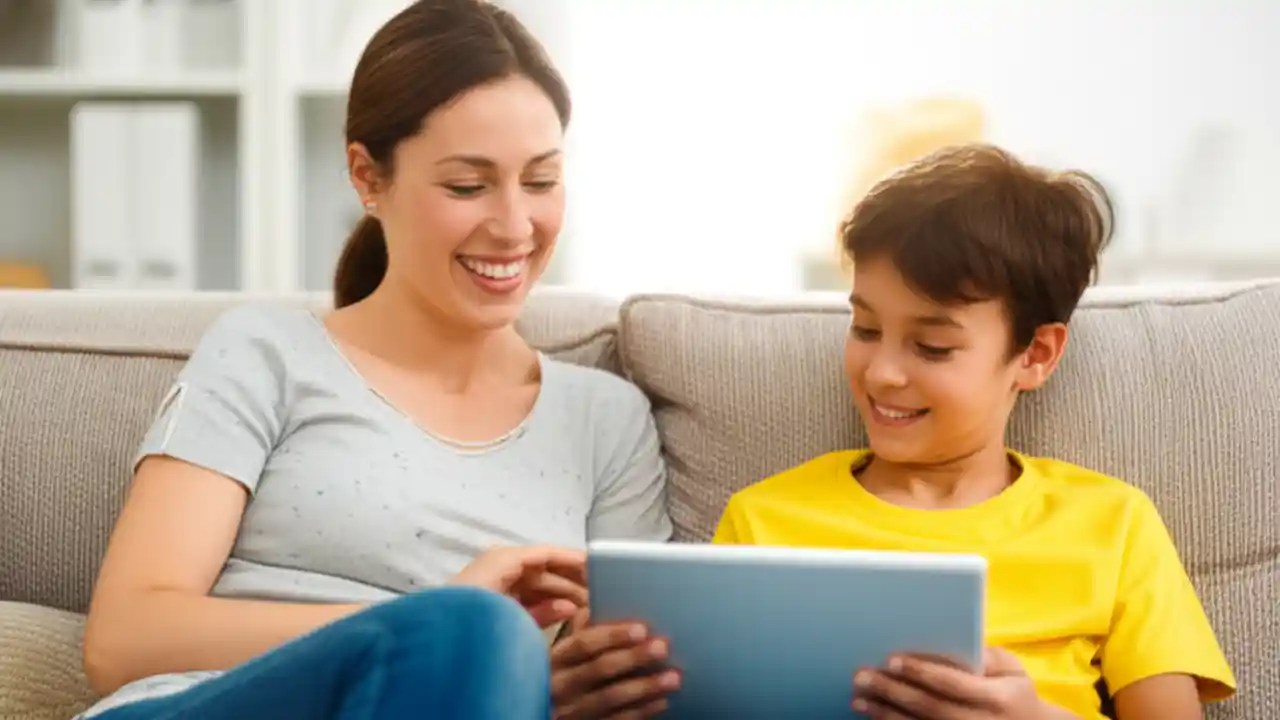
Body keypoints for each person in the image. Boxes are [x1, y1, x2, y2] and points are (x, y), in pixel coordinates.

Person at [78, 2, 678, 718]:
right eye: (467, 185)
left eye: (542, 181)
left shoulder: (607, 420)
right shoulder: (266, 355)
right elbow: (122, 640)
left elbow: (627, 672)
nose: (515, 226)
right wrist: (436, 622)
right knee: (477, 629)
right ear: (367, 177)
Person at [712, 144, 1236, 719]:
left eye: (932, 347)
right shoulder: (761, 522)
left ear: (1034, 354)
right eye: (864, 328)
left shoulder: (1115, 525)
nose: (883, 373)